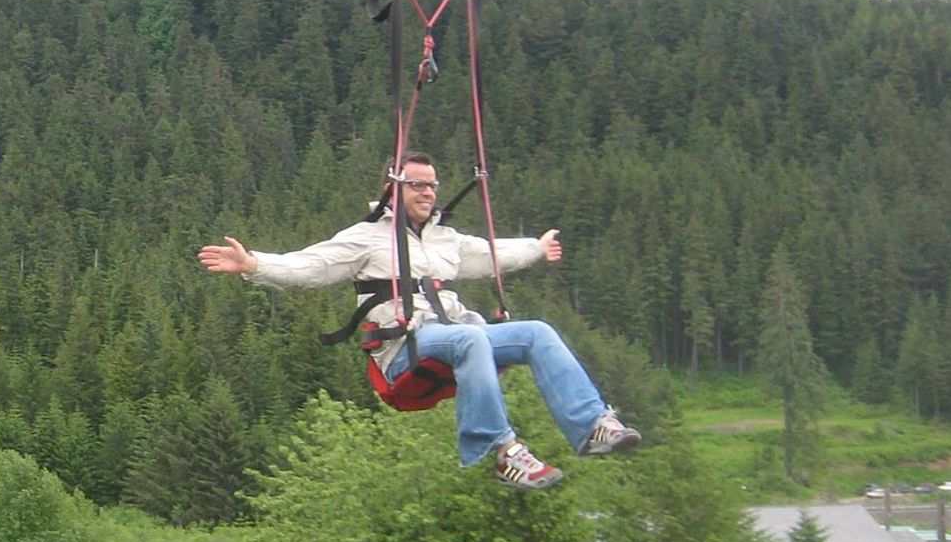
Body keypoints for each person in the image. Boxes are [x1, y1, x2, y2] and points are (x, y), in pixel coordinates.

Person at [197, 153, 637, 489]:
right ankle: (503, 450)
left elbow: (491, 254)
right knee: (470, 339)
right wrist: (254, 264)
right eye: (416, 185)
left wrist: (537, 248)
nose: (427, 193)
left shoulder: (447, 239)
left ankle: (592, 424)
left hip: (459, 335)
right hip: (408, 347)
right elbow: (309, 268)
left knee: (537, 332)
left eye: (431, 186)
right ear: (393, 189)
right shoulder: (366, 238)